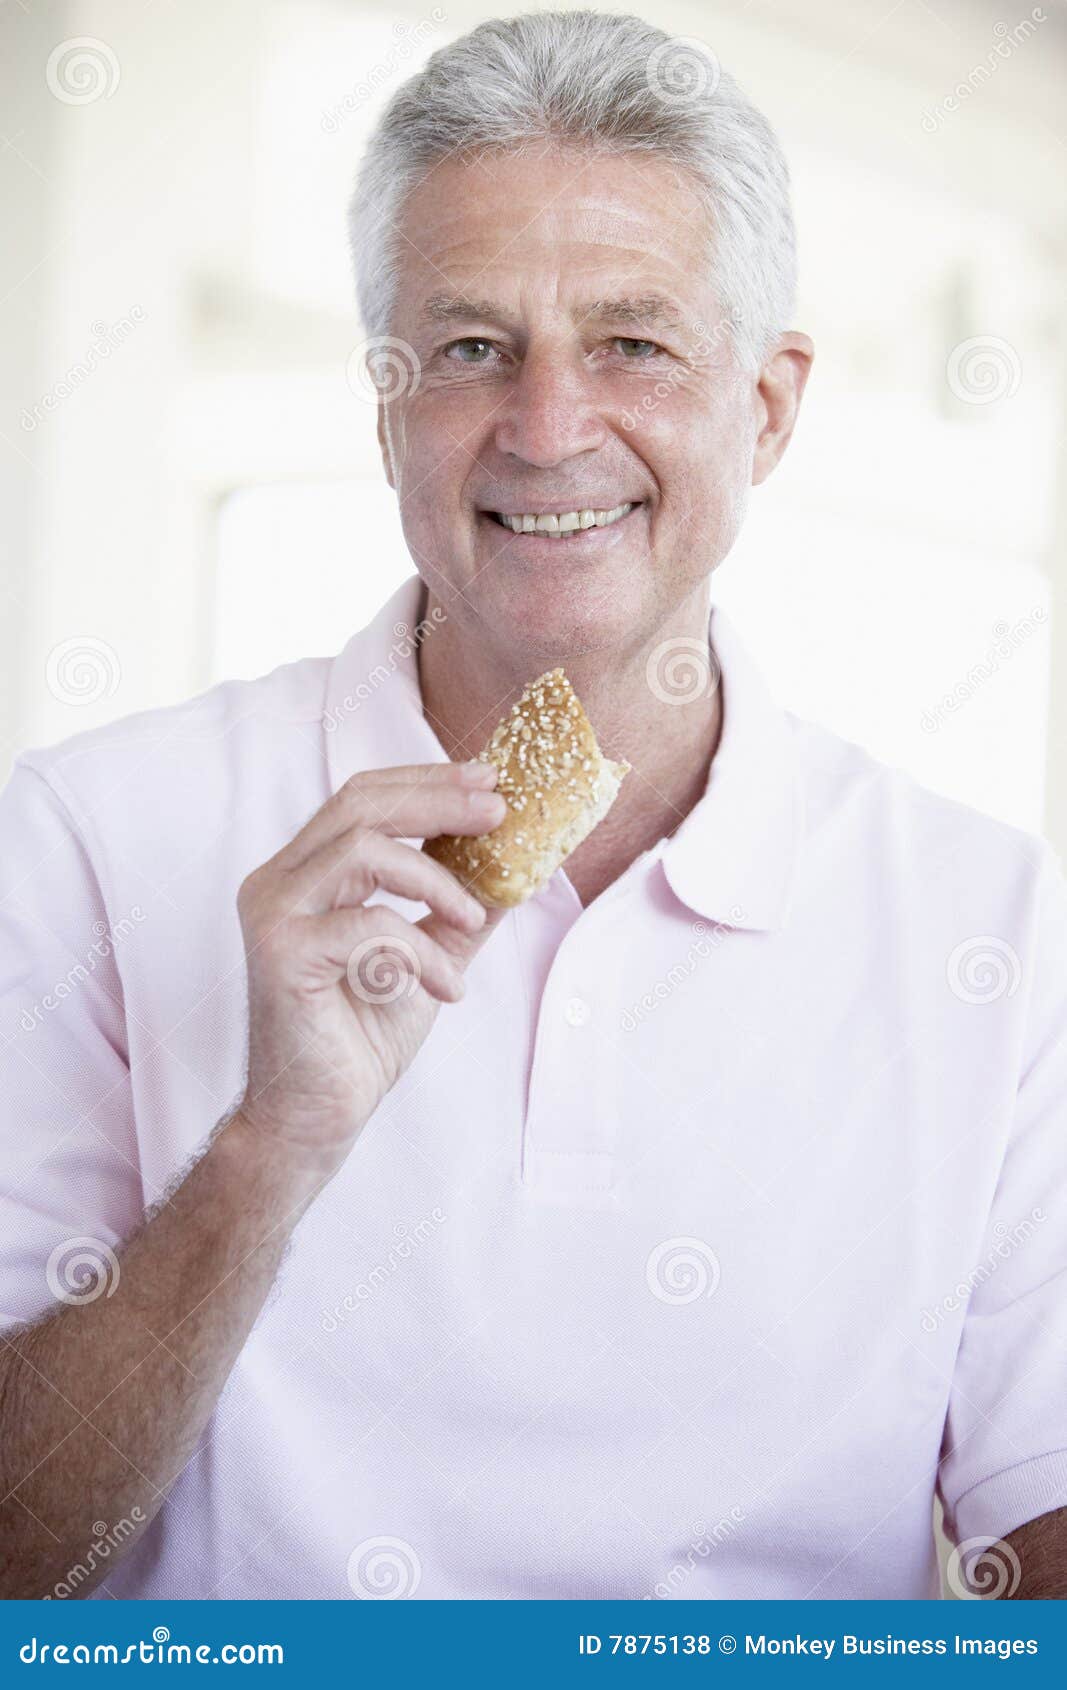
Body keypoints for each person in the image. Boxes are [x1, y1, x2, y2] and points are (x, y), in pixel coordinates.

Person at [1, 11, 1065, 1601]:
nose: (549, 427)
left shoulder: (1000, 930)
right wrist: (271, 1145)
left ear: (767, 406)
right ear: (384, 408)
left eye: (633, 342)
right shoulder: (83, 838)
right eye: (470, 347)